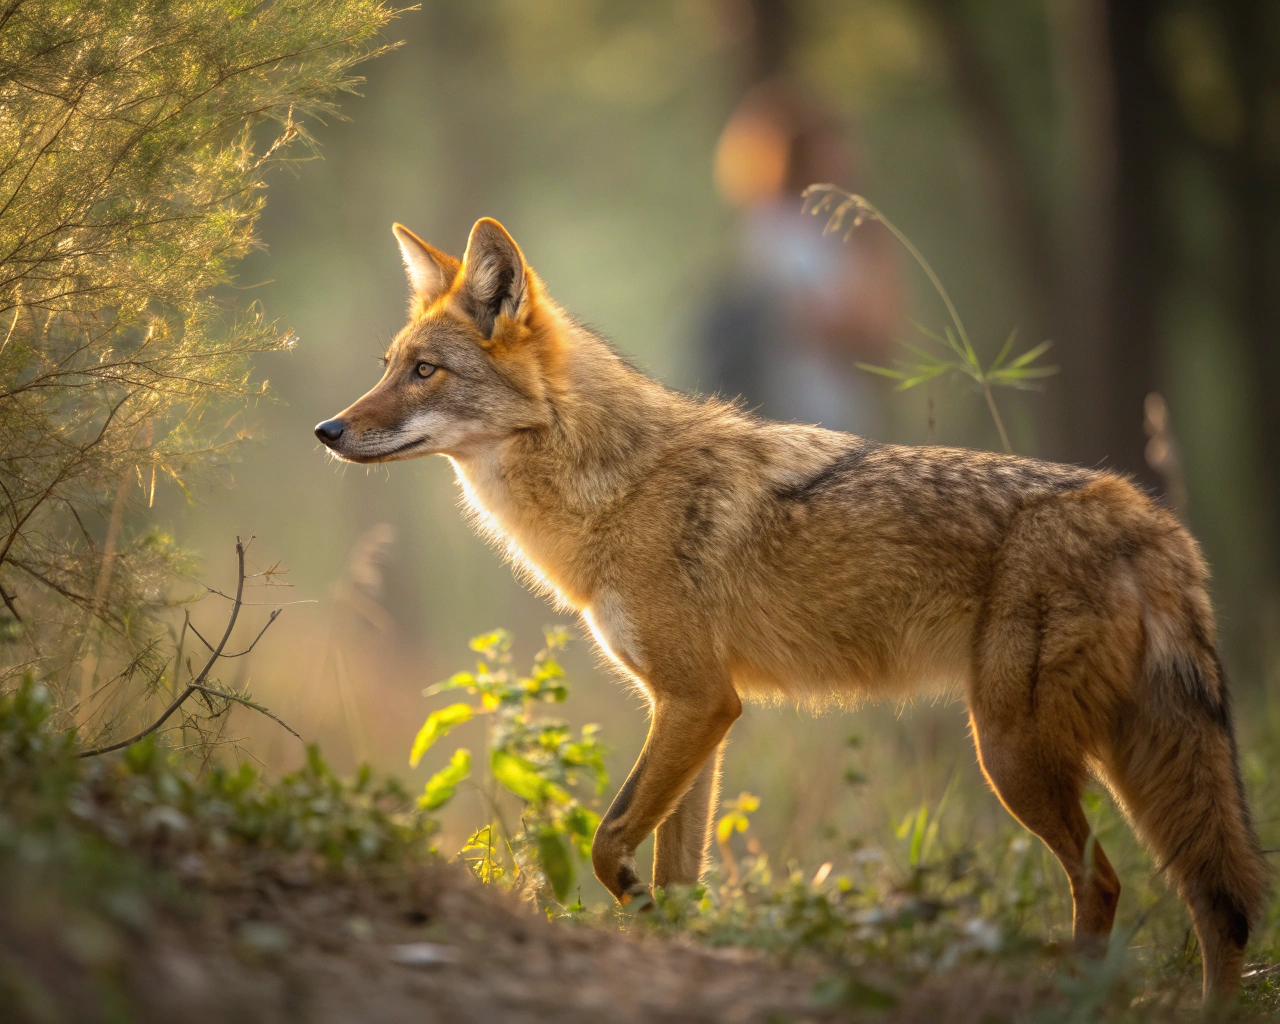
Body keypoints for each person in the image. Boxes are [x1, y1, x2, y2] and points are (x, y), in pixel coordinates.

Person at [699, 79, 902, 434]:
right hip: (802, 412)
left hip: (819, 411)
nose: (847, 156)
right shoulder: (782, 232)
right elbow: (848, 329)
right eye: (830, 146)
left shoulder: (797, 231)